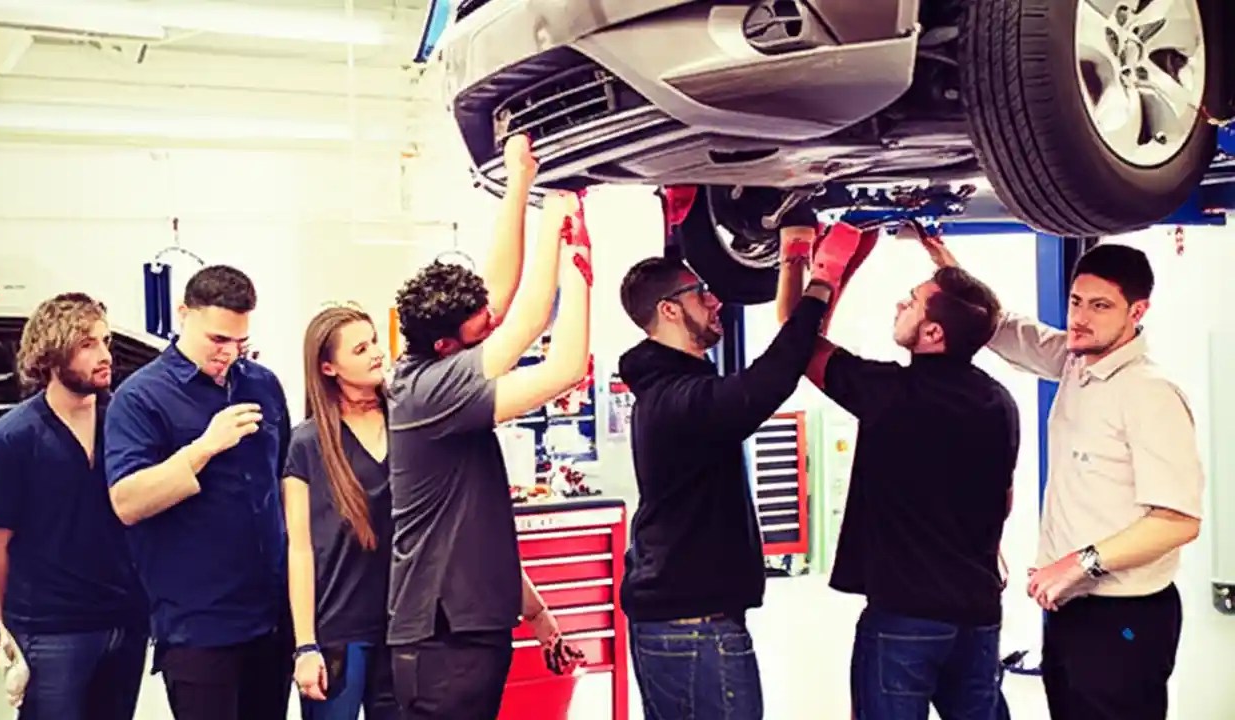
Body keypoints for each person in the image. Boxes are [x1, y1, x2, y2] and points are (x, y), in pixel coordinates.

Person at [932, 239, 1203, 720]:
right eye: (1077, 301)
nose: (1080, 317)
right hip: (1071, 608)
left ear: (1137, 311)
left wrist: (1080, 563)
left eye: (1100, 306)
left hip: (1125, 616)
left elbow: (1178, 521)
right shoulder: (1079, 362)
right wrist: (947, 268)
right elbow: (1008, 329)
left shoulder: (1149, 393)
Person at [615, 220, 867, 719]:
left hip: (683, 620)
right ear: (668, 310)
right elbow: (765, 384)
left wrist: (793, 263)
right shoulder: (674, 400)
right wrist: (822, 280)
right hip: (693, 626)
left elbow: (766, 371)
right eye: (701, 293)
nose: (716, 302)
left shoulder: (671, 385)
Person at [777, 226, 1020, 720]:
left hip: (904, 619)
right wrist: (937, 253)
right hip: (976, 617)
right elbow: (1006, 497)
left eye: (911, 302)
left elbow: (796, 338)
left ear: (933, 334)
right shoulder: (1000, 403)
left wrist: (805, 261)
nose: (898, 306)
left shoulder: (887, 393)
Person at [385, 164, 590, 718]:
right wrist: (569, 244)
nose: (492, 323)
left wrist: (523, 177)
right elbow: (557, 357)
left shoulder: (433, 363)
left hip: (457, 632)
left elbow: (499, 300)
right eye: (481, 327)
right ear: (450, 345)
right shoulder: (429, 391)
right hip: (444, 642)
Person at [105, 265, 294, 720]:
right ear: (182, 314)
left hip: (270, 616)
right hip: (199, 626)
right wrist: (204, 448)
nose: (228, 353)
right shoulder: (140, 399)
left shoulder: (261, 384)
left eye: (239, 342)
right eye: (217, 341)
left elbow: (287, 483)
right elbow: (127, 502)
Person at [0, 292, 148, 720]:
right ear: (50, 357)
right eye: (87, 344)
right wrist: (7, 631)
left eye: (105, 341)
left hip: (126, 620)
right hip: (52, 630)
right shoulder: (13, 438)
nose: (104, 355)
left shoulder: (124, 423)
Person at [283, 304, 398, 720]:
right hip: (338, 631)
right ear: (328, 367)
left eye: (374, 342)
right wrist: (305, 644)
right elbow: (299, 549)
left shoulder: (407, 423)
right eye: (360, 348)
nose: (376, 353)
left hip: (403, 625)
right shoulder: (306, 444)